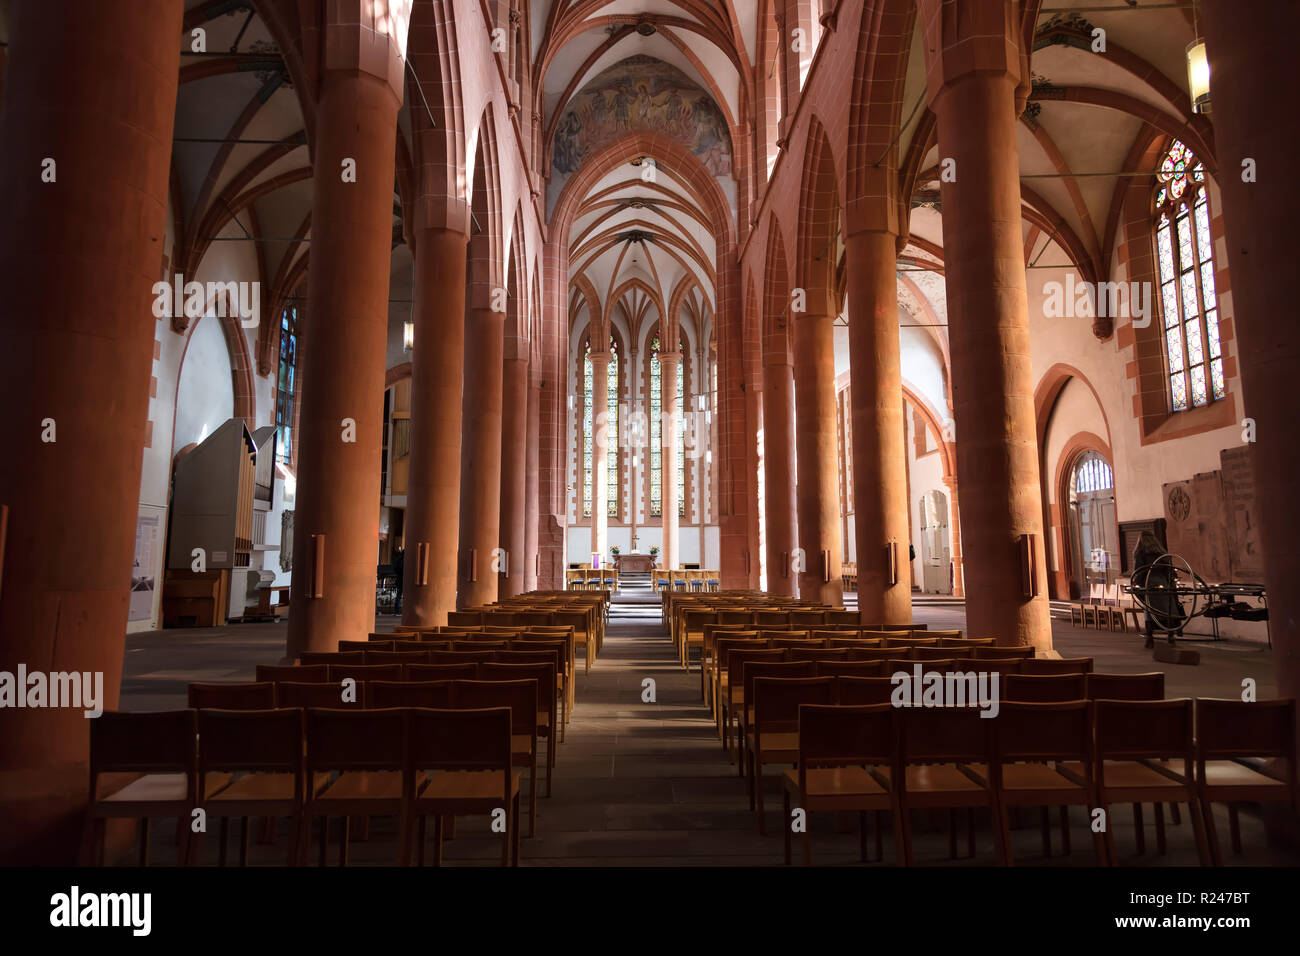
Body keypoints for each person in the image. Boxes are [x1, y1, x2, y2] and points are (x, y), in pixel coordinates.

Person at [1132, 531, 1181, 649]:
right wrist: (1171, 584)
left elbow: (1140, 570)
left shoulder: (1142, 554)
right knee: (1167, 610)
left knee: (1149, 611)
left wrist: (1136, 585)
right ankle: (1170, 635)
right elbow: (1169, 570)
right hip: (1163, 584)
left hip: (1149, 585)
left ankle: (1150, 638)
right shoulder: (1162, 554)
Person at [392, 546, 404, 615]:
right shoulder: (406, 560)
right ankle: (403, 610)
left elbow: (395, 569)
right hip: (404, 580)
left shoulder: (398, 560)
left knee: (398, 595)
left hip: (399, 579)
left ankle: (397, 610)